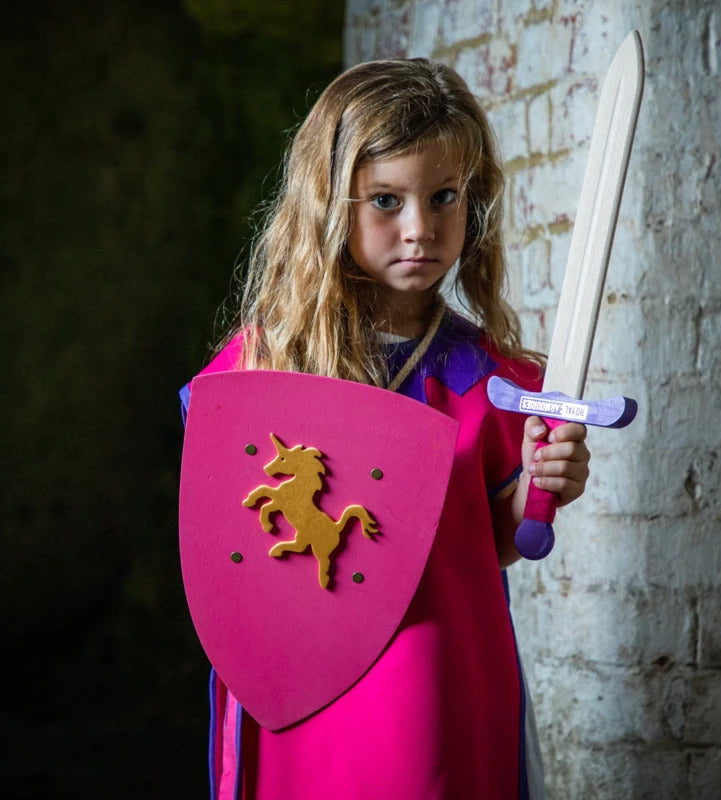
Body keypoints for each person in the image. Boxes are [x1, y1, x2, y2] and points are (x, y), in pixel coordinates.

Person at [181, 58, 590, 800]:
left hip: (438, 673)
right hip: (300, 681)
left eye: (443, 198)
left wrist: (543, 482)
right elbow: (226, 546)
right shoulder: (266, 370)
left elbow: (503, 542)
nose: (420, 230)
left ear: (475, 202)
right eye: (385, 201)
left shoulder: (487, 381)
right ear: (331, 206)